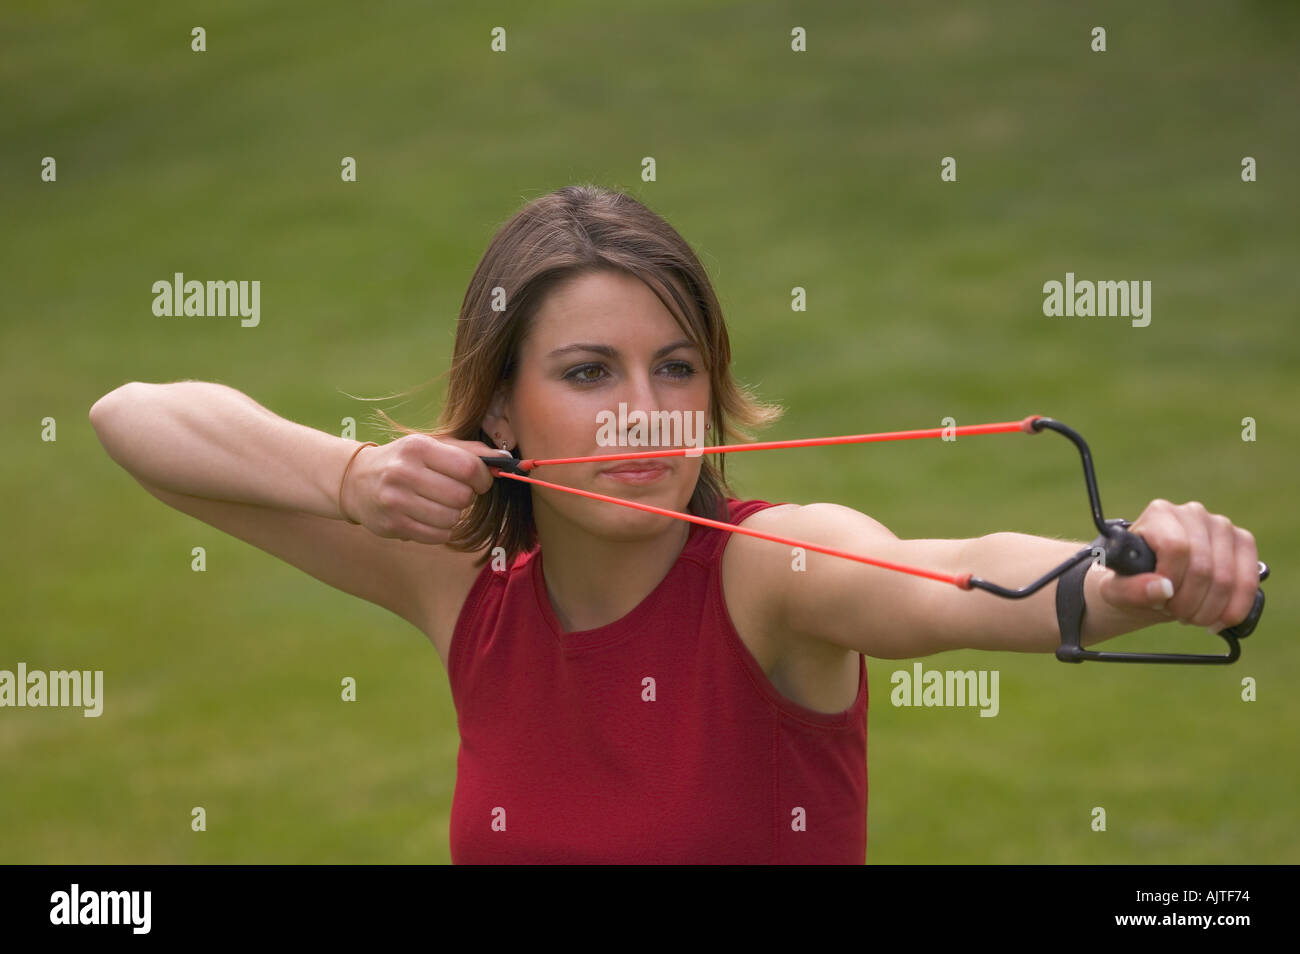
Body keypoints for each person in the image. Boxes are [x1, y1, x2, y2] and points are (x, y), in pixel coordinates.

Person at [89, 184, 1261, 864]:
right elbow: (137, 420)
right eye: (590, 374)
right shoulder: (465, 584)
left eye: (676, 368)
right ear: (503, 404)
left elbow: (943, 573)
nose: (643, 418)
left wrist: (1127, 577)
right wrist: (348, 476)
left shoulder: (767, 572)